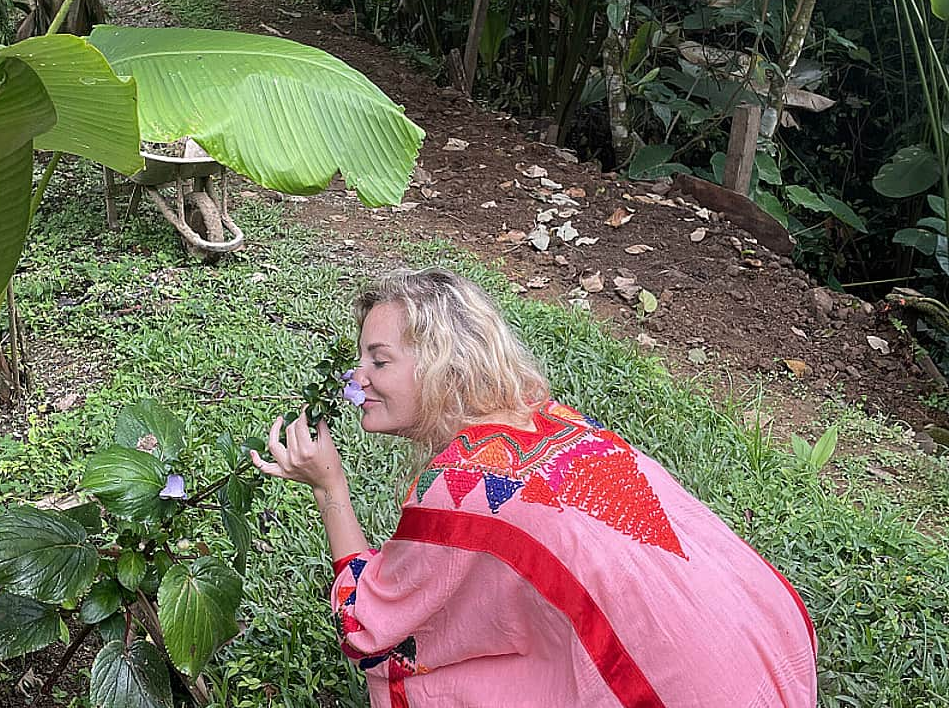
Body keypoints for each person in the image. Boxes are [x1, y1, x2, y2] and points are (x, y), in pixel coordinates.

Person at [251, 267, 817, 708]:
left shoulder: (461, 483)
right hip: (776, 658)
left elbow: (371, 624)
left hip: (678, 692)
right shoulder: (558, 421)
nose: (359, 378)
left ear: (444, 365)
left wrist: (330, 487)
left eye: (380, 360)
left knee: (418, 664)